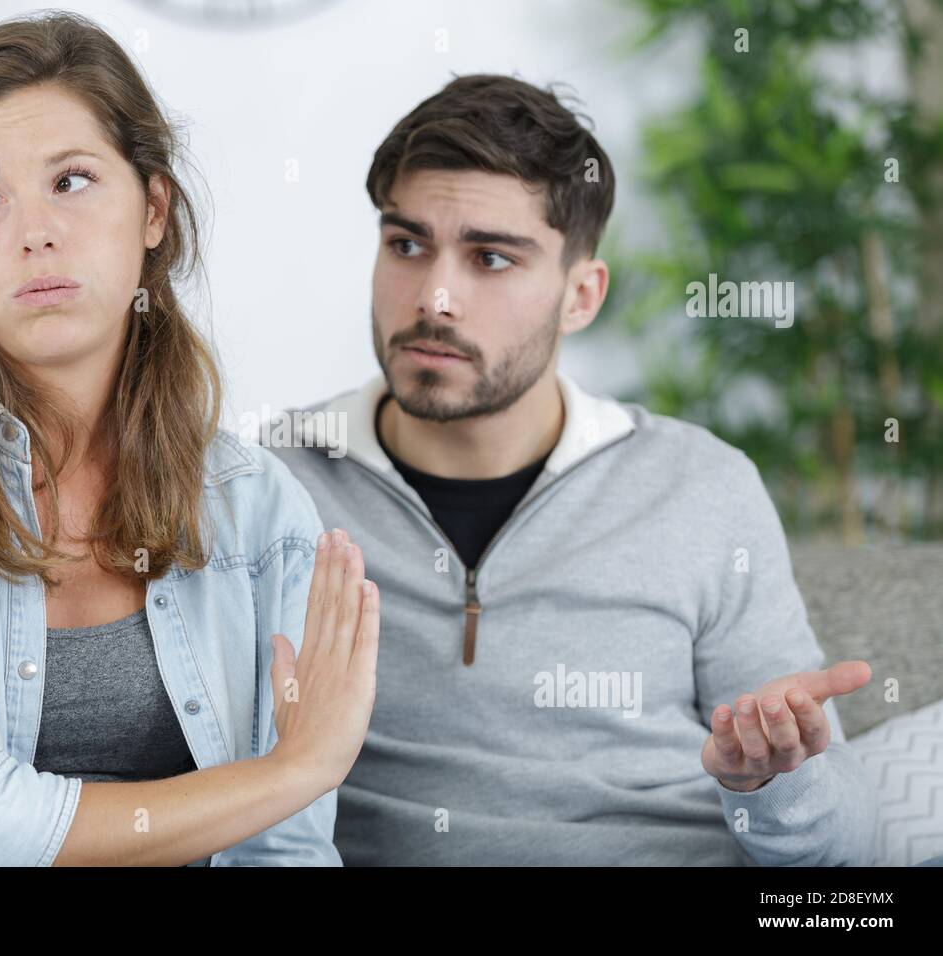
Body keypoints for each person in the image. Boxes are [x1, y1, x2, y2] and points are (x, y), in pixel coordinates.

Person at [0, 11, 378, 867]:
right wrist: (293, 769)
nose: (32, 232)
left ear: (153, 208)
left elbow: (286, 855)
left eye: (72, 180)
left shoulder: (259, 509)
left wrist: (292, 786)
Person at [269, 73, 879, 866]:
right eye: (407, 245)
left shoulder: (699, 486)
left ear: (581, 296)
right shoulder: (272, 484)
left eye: (491, 257)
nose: (435, 298)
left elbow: (855, 851)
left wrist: (770, 785)